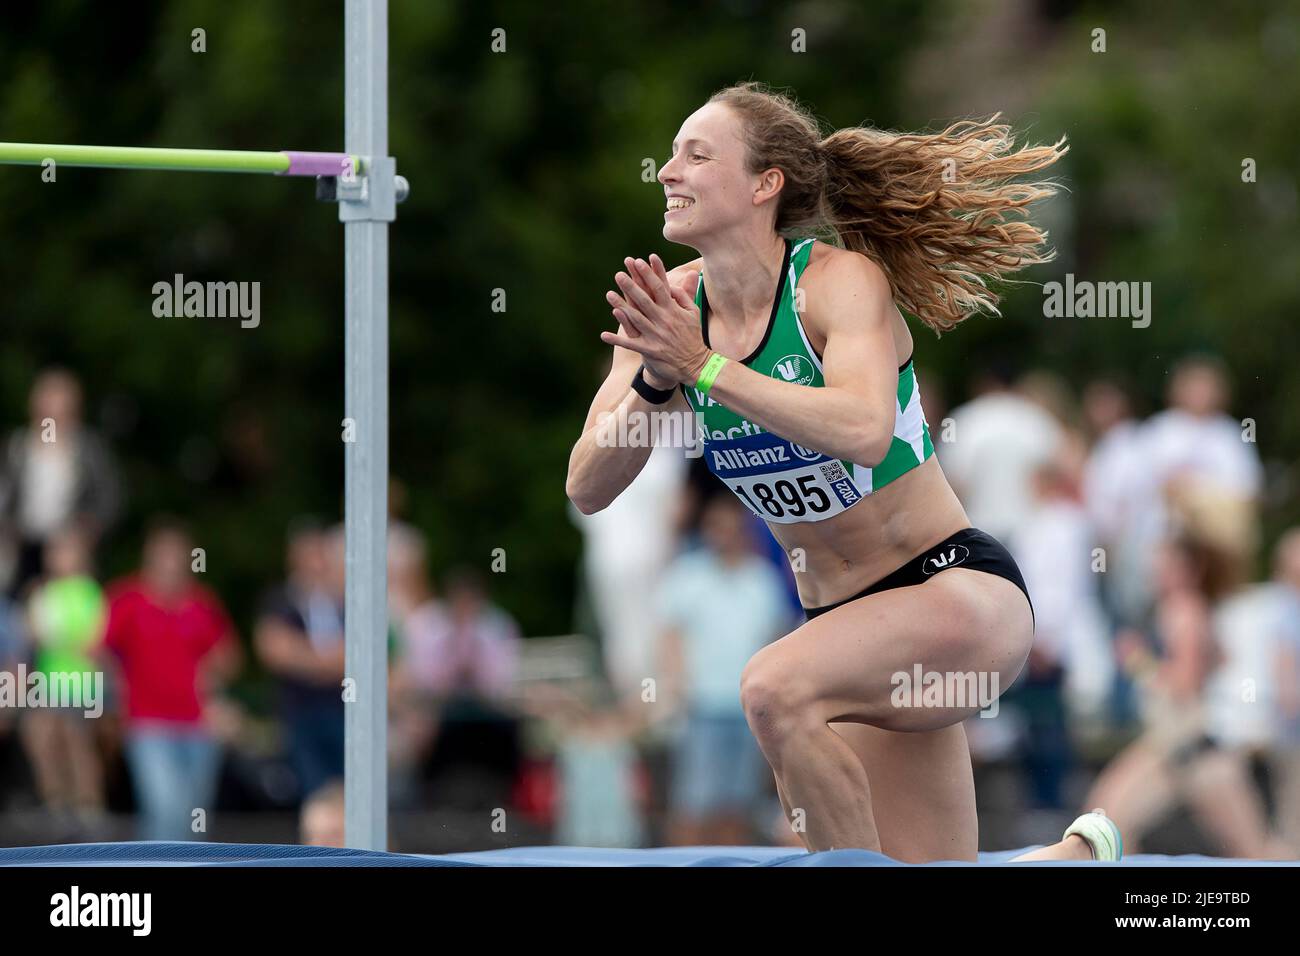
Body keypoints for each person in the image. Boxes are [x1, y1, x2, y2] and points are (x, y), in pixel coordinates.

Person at [566, 82, 1121, 862]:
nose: (667, 170)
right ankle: (1076, 858)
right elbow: (587, 486)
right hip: (844, 631)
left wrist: (706, 367)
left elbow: (862, 431)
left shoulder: (834, 284)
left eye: (697, 154)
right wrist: (659, 380)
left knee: (770, 690)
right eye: (670, 154)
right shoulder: (670, 313)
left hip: (952, 592)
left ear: (766, 185)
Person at [656, 491, 795, 845]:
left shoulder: (761, 579)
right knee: (693, 801)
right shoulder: (687, 575)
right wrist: (677, 684)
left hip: (748, 709)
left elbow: (775, 639)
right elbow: (670, 637)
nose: (723, 533)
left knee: (738, 803)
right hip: (702, 704)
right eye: (716, 525)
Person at [102, 517, 241, 841]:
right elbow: (100, 650)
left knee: (195, 815)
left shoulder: (201, 603)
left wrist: (215, 677)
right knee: (165, 809)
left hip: (199, 726)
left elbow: (229, 658)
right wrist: (115, 693)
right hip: (147, 724)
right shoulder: (127, 600)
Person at [0, 368, 122, 598]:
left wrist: (84, 532)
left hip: (71, 549)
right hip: (21, 548)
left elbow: (109, 499)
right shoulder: (16, 448)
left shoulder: (89, 450)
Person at [19, 524, 108, 834]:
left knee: (77, 744)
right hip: (49, 685)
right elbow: (33, 636)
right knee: (42, 739)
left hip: (81, 686)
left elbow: (93, 641)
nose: (57, 557)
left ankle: (89, 808)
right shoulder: (43, 593)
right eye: (53, 551)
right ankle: (56, 805)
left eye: (65, 550)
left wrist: (52, 635)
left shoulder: (88, 592)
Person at [254, 520, 346, 800]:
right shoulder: (279, 600)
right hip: (299, 715)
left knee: (351, 792)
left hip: (343, 713)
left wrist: (304, 657)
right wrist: (331, 661)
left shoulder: (347, 601)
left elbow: (366, 652)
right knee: (313, 793)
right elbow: (275, 651)